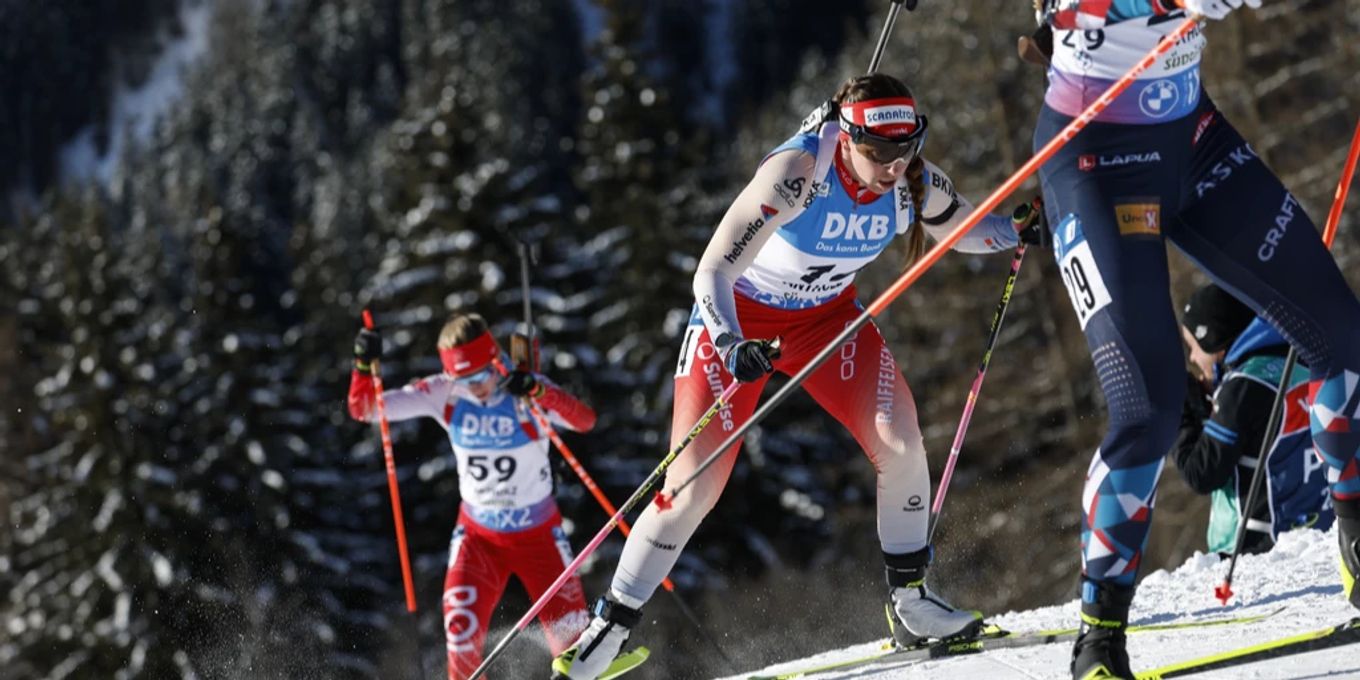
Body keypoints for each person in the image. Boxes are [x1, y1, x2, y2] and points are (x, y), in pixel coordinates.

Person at [551, 72, 1048, 679]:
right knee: (693, 485)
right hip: (741, 321)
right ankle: (610, 628)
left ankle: (912, 602)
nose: (892, 164)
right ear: (845, 136)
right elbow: (711, 271)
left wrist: (1016, 230)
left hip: (829, 321)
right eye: (876, 151)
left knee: (901, 441)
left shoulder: (912, 181)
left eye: (905, 146)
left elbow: (962, 229)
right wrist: (732, 344)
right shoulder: (797, 174)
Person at [1031, 2, 1360, 678]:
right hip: (1096, 156)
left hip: (1193, 137)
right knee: (1148, 406)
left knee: (1344, 340)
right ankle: (1099, 637)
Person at [347, 313, 597, 680]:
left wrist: (540, 391)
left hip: (539, 536)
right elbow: (366, 409)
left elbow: (584, 420)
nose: (477, 388)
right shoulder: (441, 393)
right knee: (461, 637)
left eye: (482, 375)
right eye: (464, 380)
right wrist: (362, 365)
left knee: (575, 647)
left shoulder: (524, 387)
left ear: (496, 358)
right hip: (479, 538)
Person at [1171, 283, 1335, 556]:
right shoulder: (1303, 364)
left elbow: (1201, 472)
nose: (1192, 357)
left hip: (1257, 549)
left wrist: (1183, 412)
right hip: (1319, 535)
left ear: (1215, 342)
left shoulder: (1246, 385)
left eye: (1194, 346)